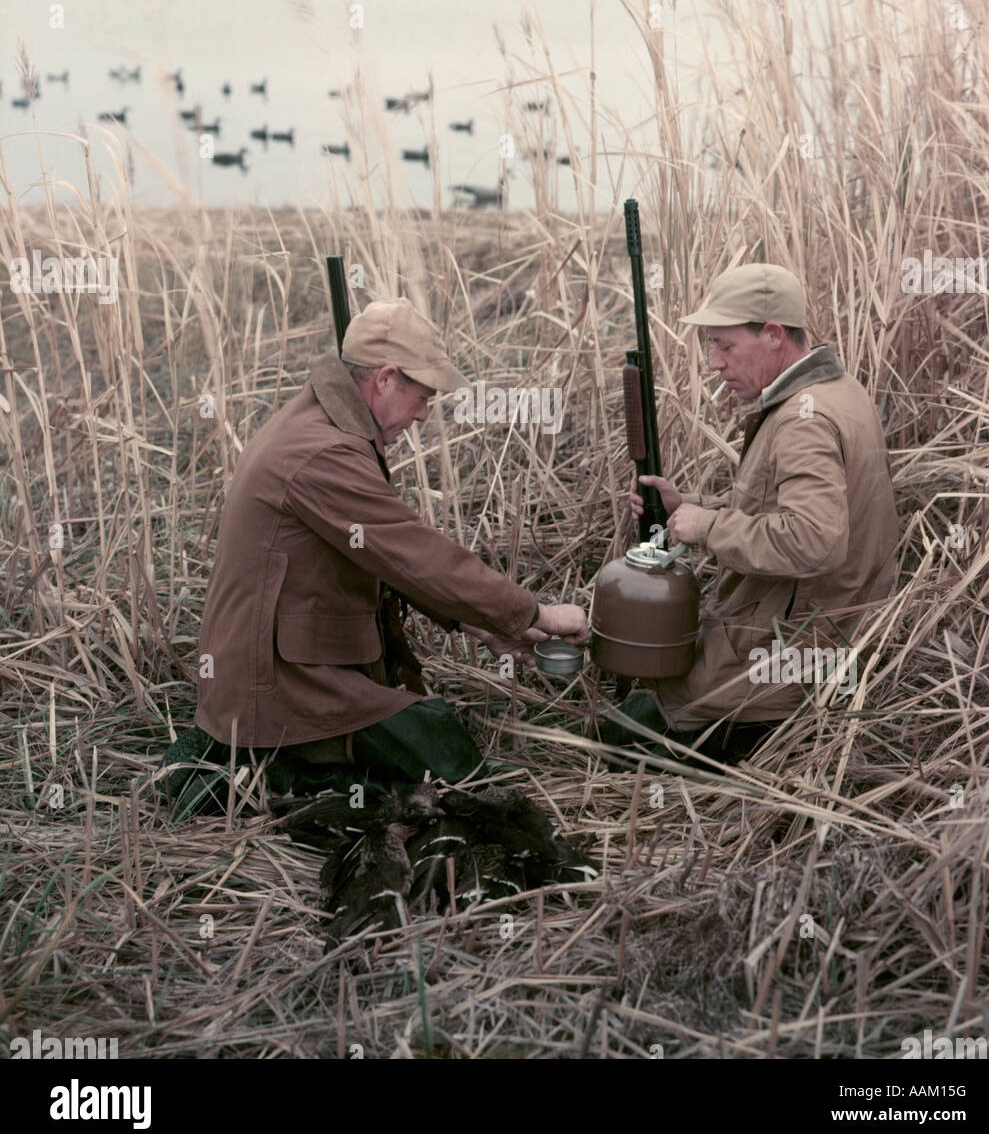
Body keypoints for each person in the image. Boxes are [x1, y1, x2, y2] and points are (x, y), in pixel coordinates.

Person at [163, 297, 587, 811]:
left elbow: (379, 558)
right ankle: (267, 778)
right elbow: (415, 552)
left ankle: (273, 760)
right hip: (275, 682)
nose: (425, 414)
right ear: (385, 379)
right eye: (422, 395)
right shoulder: (325, 452)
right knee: (449, 760)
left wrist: (479, 623)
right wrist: (533, 612)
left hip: (285, 666)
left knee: (434, 745)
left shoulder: (322, 424)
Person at [602, 263, 898, 765]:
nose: (714, 364)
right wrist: (690, 509)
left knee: (617, 737)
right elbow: (782, 510)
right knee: (636, 706)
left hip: (785, 668)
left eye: (725, 345)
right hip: (820, 640)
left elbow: (814, 540)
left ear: (774, 335)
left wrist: (709, 527)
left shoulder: (804, 421)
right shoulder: (835, 392)